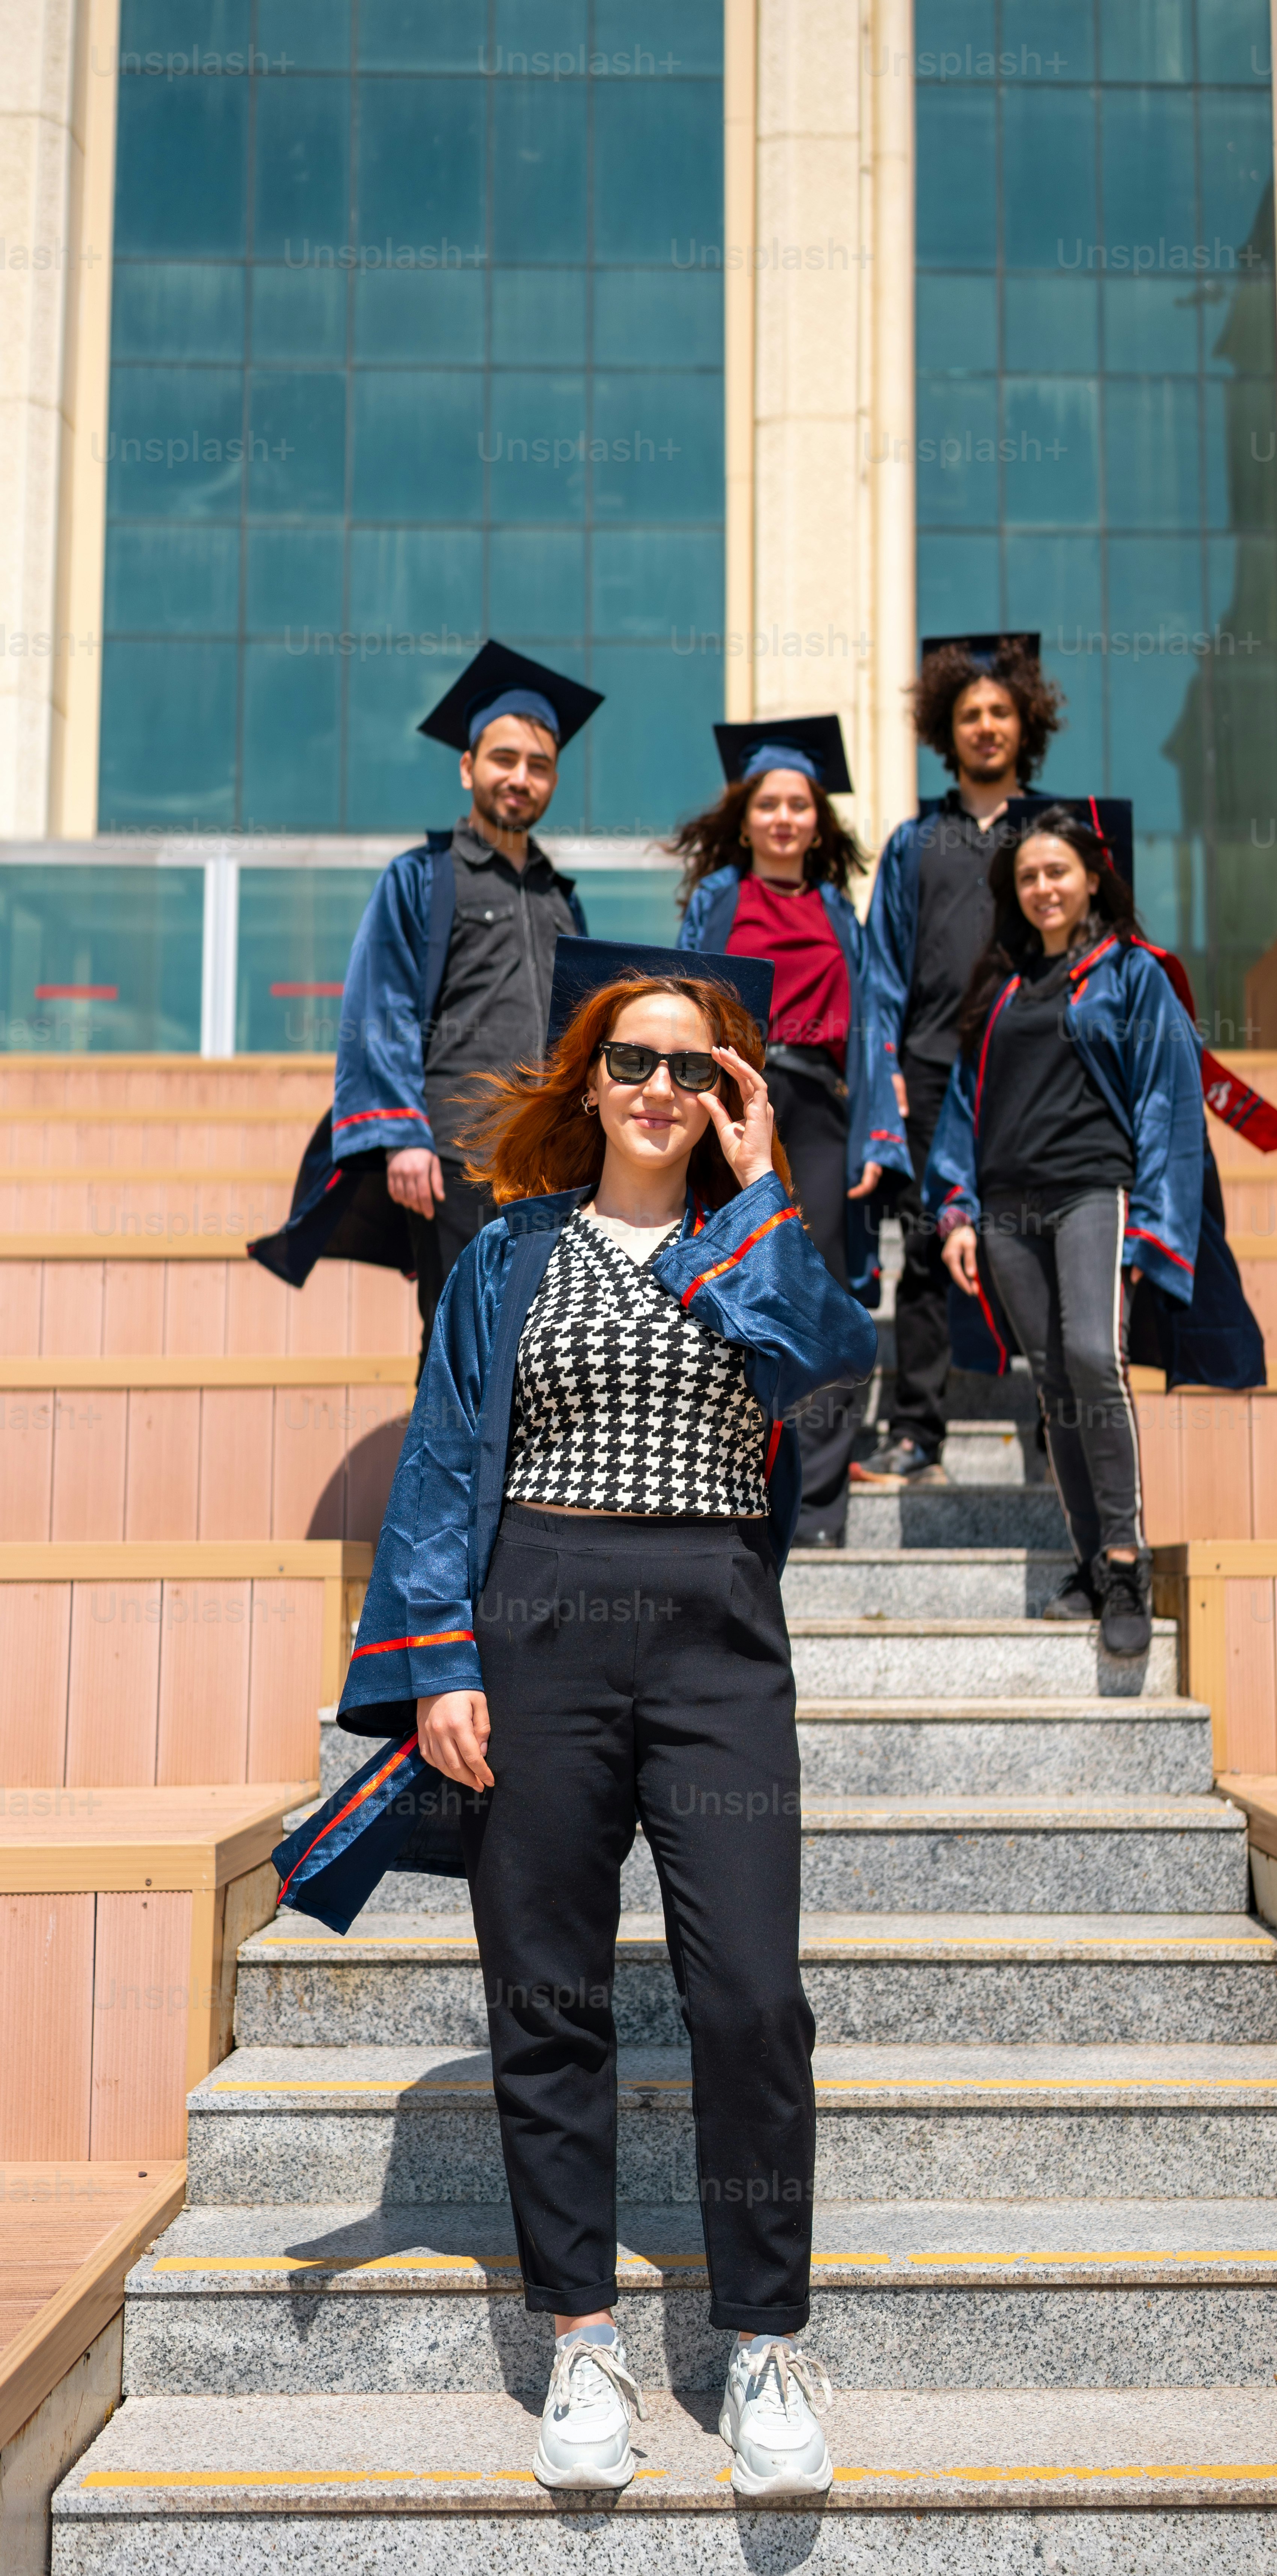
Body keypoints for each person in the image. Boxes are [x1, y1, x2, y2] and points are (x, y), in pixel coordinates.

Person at [332, 934, 875, 2498]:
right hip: (541, 1628)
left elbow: (822, 1372)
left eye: (691, 1066)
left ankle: (764, 2340)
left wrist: (764, 1182)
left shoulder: (754, 1235)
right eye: (631, 1060)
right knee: (551, 1999)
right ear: (590, 1079)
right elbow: (443, 1458)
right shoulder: (508, 1251)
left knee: (754, 1998)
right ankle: (582, 2334)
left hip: (715, 1642)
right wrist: (442, 1662)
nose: (657, 1086)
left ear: (730, 1092)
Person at [248, 641, 601, 1359]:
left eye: (539, 765)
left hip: (552, 1166)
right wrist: (404, 1134)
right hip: (459, 1152)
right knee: (459, 1346)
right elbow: (379, 1008)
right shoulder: (422, 878)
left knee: (537, 1350)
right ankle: (440, 1479)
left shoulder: (561, 901)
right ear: (468, 766)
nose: (520, 778)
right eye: (504, 759)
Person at [928, 812, 1221, 1658]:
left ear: (1094, 877)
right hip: (1008, 1208)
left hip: (1095, 1189)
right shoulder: (1004, 991)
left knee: (1095, 1358)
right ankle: (1092, 1564)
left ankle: (1129, 1562)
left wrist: (1156, 1231)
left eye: (1057, 871)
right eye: (1027, 877)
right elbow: (961, 1108)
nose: (1043, 889)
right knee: (1054, 1384)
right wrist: (955, 1209)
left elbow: (1170, 1106)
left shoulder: (1133, 974)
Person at [673, 715, 910, 1545]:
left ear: (819, 821)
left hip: (823, 1108)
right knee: (731, 1276)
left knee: (824, 1286)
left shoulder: (841, 912)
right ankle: (727, 1479)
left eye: (799, 805)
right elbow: (682, 1001)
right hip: (732, 1106)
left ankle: (818, 1507)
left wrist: (880, 1134)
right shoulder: (717, 900)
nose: (784, 818)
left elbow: (875, 1026)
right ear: (746, 819)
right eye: (769, 804)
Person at [858, 632, 1066, 1485]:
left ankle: (1057, 1442)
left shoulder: (1056, 834)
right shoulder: (917, 841)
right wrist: (888, 1069)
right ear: (948, 730)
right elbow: (881, 969)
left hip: (1035, 1075)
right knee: (926, 1260)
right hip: (934, 1071)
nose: (986, 726)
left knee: (1042, 1255)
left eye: (1001, 712)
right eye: (970, 714)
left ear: (1026, 723)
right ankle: (916, 1436)